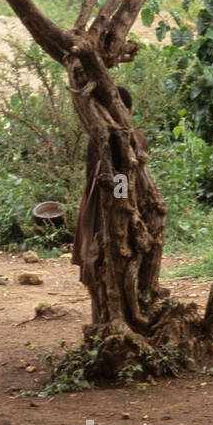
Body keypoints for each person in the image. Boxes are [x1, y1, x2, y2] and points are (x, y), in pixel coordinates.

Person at [71, 85, 149, 285]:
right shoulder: (109, 137)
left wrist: (120, 201)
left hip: (112, 203)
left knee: (108, 249)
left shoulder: (125, 139)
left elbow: (123, 173)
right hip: (106, 201)